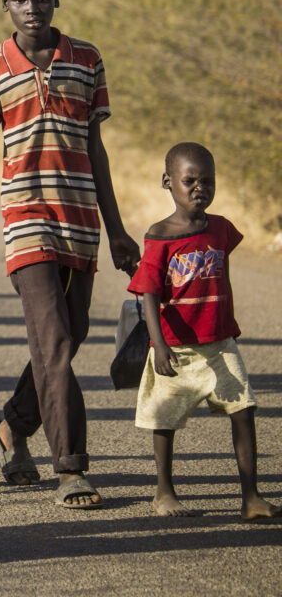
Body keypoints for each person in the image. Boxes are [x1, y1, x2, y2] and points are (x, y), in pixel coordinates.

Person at [0, 0, 139, 510]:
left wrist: (118, 229)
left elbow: (96, 149)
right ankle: (72, 468)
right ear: (5, 4)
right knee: (55, 343)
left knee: (70, 335)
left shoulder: (87, 59)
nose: (32, 7)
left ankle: (13, 425)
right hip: (26, 220)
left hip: (79, 219)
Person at [128, 142, 280, 520]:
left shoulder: (222, 228)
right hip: (176, 349)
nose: (200, 188)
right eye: (189, 180)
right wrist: (157, 344)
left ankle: (251, 497)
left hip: (220, 344)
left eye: (207, 181)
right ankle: (164, 492)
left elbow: (221, 273)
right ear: (168, 182)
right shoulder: (160, 235)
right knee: (164, 420)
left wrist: (227, 320)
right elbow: (148, 292)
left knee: (243, 410)